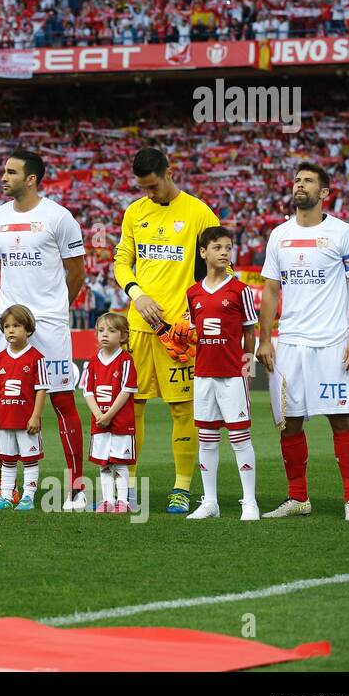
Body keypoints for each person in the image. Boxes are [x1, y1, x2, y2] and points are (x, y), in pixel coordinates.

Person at [256, 164, 349, 522]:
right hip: (288, 344)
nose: (298, 185)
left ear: (324, 193)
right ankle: (298, 498)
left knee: (340, 419)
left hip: (331, 344)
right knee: (289, 423)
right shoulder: (279, 235)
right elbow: (271, 290)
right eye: (296, 180)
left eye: (307, 181)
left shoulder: (343, 233)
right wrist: (265, 339)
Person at [112, 148, 219, 513]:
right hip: (139, 328)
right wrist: (137, 295)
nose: (149, 194)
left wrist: (195, 315)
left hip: (179, 332)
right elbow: (122, 262)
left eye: (153, 186)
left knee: (182, 410)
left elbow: (219, 266)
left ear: (169, 173)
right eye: (143, 188)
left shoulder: (199, 213)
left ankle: (182, 488)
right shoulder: (134, 212)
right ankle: (126, 488)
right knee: (132, 408)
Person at [0, 150, 87, 509]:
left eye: (11, 172)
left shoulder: (58, 217)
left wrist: (55, 309)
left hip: (50, 322)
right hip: (7, 321)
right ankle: (5, 488)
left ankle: (77, 487)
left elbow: (76, 272)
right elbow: (4, 269)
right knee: (8, 399)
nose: (3, 177)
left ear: (31, 179)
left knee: (61, 400)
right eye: (3, 171)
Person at [185, 227, 259, 521]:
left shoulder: (240, 290)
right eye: (217, 247)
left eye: (228, 247)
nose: (225, 252)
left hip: (232, 374)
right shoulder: (193, 293)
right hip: (203, 374)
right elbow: (192, 334)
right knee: (206, 438)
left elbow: (249, 331)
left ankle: (250, 502)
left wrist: (248, 365)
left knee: (240, 438)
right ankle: (210, 502)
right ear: (203, 252)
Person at [0, 304, 48, 512]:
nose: (11, 330)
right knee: (7, 460)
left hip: (26, 421)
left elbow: (41, 390)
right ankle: (6, 496)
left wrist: (36, 416)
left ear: (28, 329)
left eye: (16, 325)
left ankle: (28, 497)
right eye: (6, 326)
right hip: (4, 421)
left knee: (29, 460)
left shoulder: (36, 358)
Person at [84, 312, 138, 513]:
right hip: (99, 423)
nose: (104, 334)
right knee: (104, 464)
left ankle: (122, 501)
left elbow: (126, 390)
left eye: (111, 330)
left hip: (121, 423)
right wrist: (99, 414)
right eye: (101, 330)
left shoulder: (125, 361)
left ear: (123, 336)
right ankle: (107, 500)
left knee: (120, 462)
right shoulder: (92, 362)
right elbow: (88, 392)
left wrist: (108, 415)